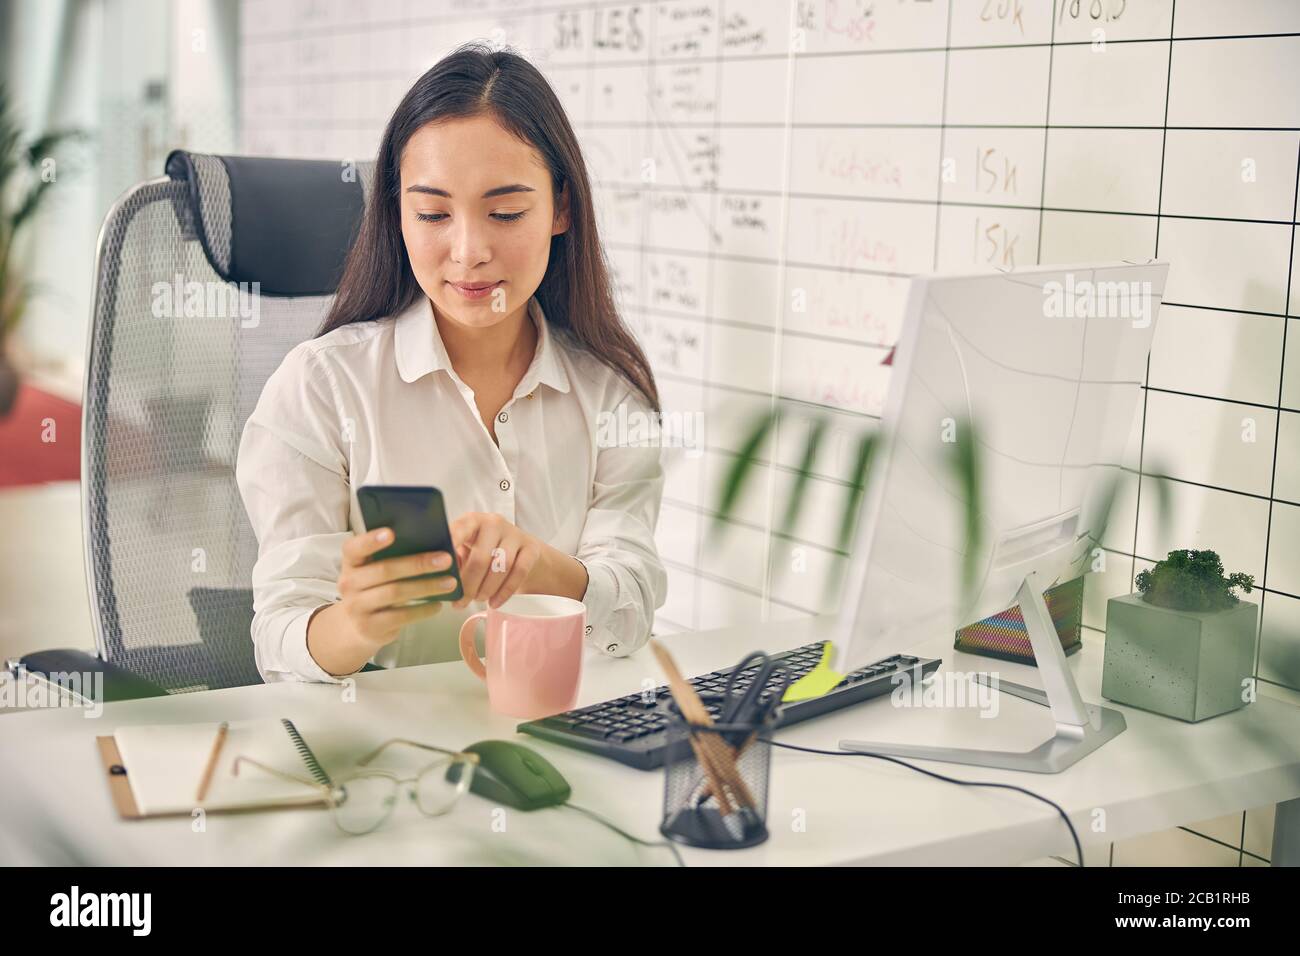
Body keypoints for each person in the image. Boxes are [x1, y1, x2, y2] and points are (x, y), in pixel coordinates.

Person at [235, 43, 667, 683]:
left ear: (562, 209)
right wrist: (358, 622)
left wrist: (545, 569)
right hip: (384, 756)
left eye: (506, 213)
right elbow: (279, 639)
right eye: (433, 213)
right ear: (397, 215)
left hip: (556, 735)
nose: (468, 252)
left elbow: (630, 612)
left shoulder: (610, 394)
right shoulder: (321, 387)